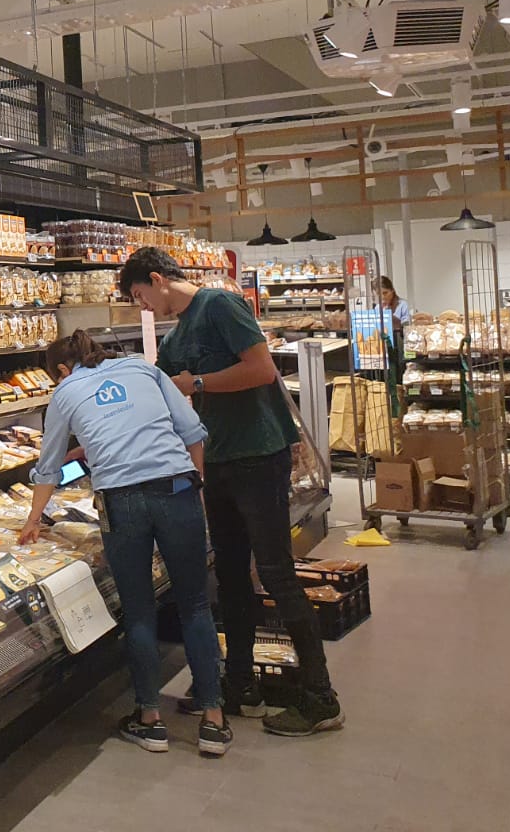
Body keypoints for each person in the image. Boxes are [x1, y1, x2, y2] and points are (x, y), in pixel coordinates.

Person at [119, 246, 343, 737]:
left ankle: (320, 697)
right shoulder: (177, 336)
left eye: (141, 296)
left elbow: (261, 369)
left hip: (258, 457)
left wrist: (195, 383)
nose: (144, 308)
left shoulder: (219, 305)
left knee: (277, 574)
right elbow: (161, 388)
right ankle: (239, 684)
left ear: (157, 279)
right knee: (233, 580)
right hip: (218, 465)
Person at [19, 329, 229, 757]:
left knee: (138, 610)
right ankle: (213, 721)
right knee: (194, 604)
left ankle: (150, 720)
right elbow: (192, 432)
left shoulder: (64, 392)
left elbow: (48, 466)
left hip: (122, 501)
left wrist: (33, 519)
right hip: (178, 489)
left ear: (62, 369)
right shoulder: (144, 369)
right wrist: (197, 486)